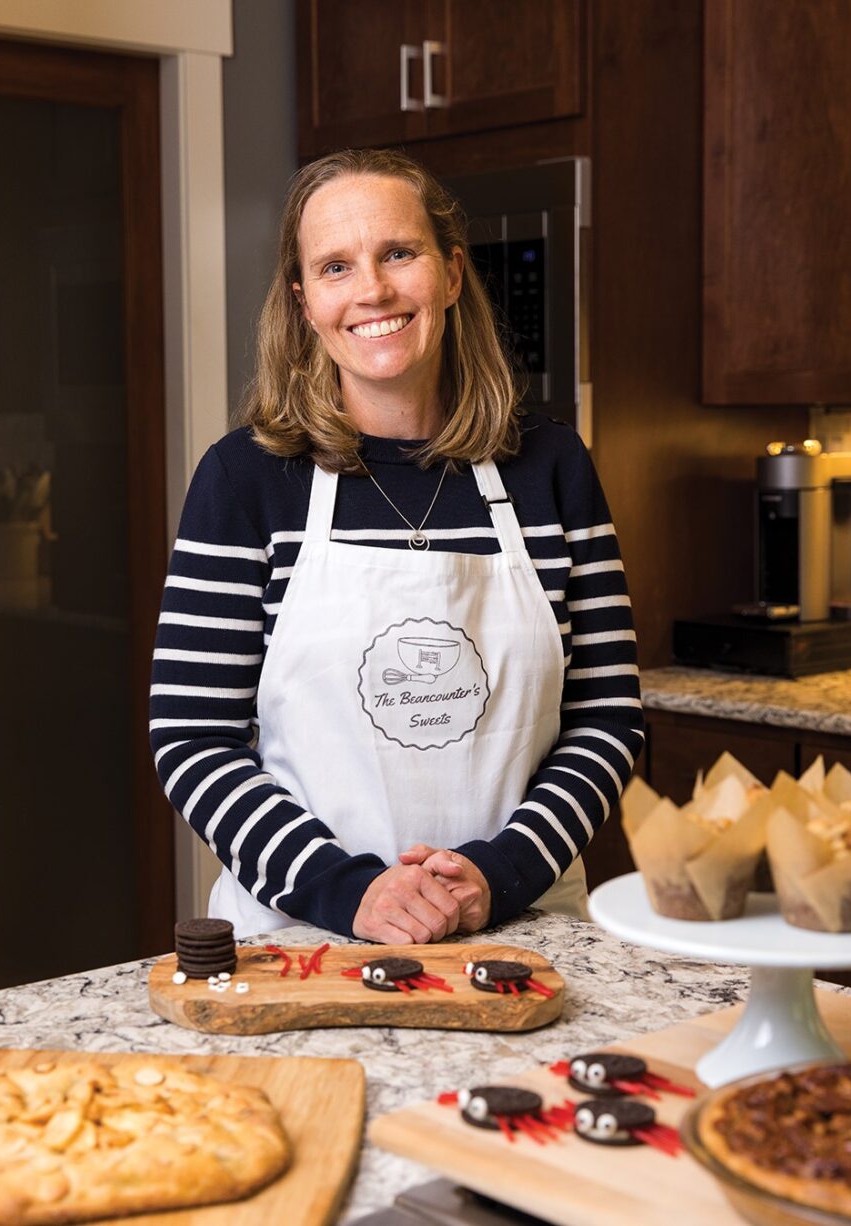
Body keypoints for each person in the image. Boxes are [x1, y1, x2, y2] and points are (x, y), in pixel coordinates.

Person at [149, 148, 644, 944]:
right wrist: (349, 893)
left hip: (523, 934)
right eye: (336, 267)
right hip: (304, 937)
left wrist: (502, 871)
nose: (372, 290)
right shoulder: (245, 480)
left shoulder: (552, 466)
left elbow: (607, 719)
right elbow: (192, 738)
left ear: (450, 275)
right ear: (305, 301)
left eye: (398, 254)